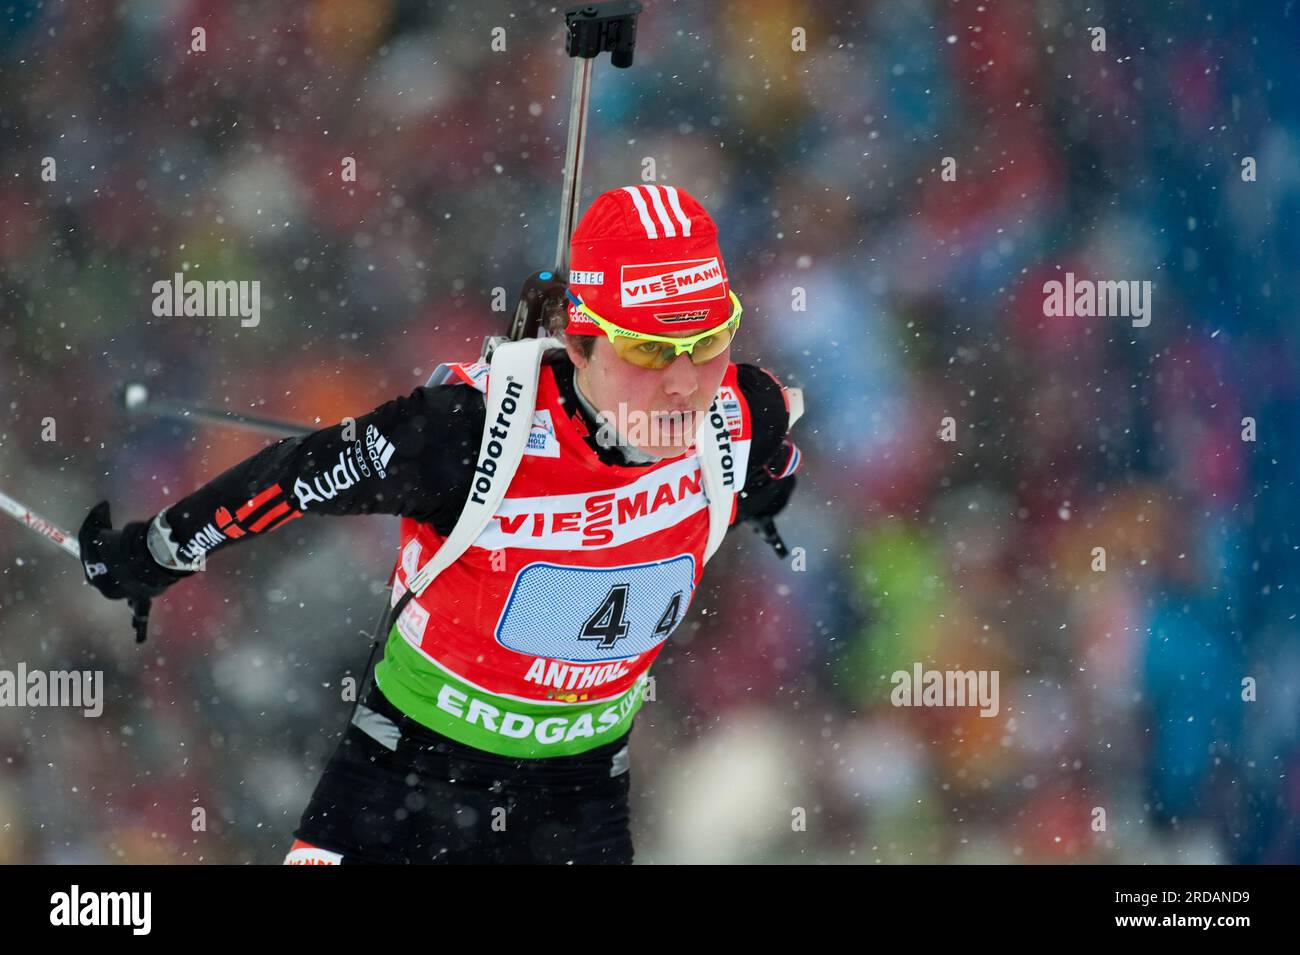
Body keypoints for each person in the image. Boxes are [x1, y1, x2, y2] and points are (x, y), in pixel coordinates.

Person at [78, 184, 804, 864]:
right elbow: (293, 479)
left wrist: (763, 503)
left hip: (575, 799)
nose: (684, 382)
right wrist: (153, 551)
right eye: (648, 349)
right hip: (405, 778)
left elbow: (772, 472)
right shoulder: (466, 433)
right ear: (580, 342)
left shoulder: (746, 417)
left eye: (709, 341)